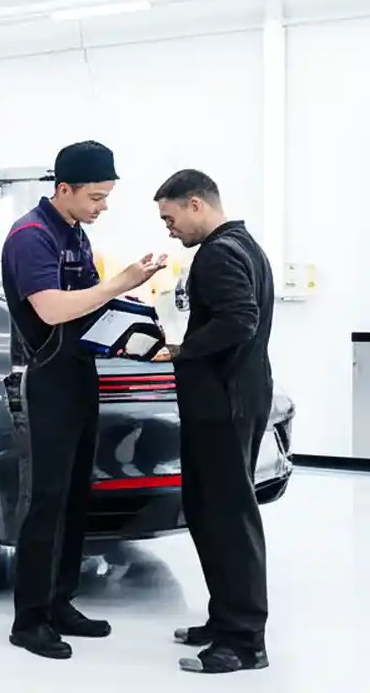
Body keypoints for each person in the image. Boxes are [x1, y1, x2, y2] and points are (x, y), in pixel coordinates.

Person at [1, 140, 166, 660]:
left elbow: (89, 306)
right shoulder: (31, 237)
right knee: (46, 500)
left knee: (76, 496)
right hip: (47, 379)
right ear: (64, 188)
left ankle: (60, 602)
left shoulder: (74, 234)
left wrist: (132, 314)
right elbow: (51, 310)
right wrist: (119, 280)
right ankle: (29, 620)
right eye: (95, 197)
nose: (102, 207)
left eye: (107, 197)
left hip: (79, 376)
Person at [153, 169, 274, 674]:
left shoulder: (219, 253)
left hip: (225, 403)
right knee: (208, 512)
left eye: (170, 217)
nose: (169, 228)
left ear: (196, 205)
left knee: (228, 517)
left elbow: (239, 319)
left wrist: (181, 349)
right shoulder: (244, 244)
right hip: (230, 398)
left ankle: (244, 641)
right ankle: (224, 618)